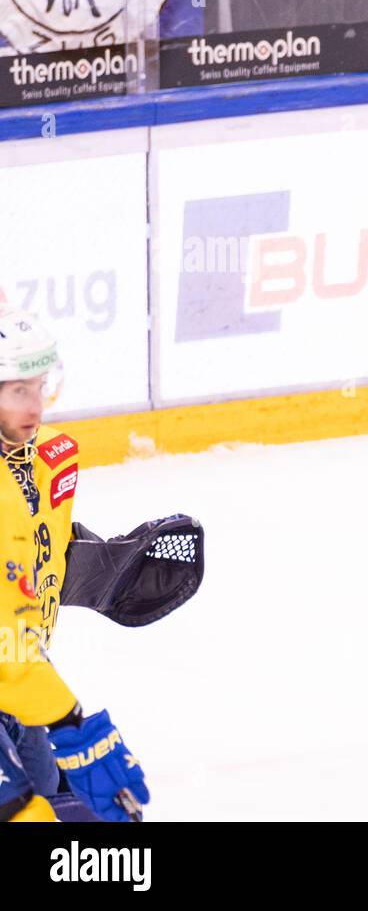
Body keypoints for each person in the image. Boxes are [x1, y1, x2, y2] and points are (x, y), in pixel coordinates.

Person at [0, 305, 149, 822]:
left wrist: (88, 568)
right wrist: (69, 720)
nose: (36, 405)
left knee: (59, 801)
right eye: (19, 390)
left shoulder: (36, 462)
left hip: (19, 681)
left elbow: (25, 571)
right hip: (13, 675)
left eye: (41, 386)